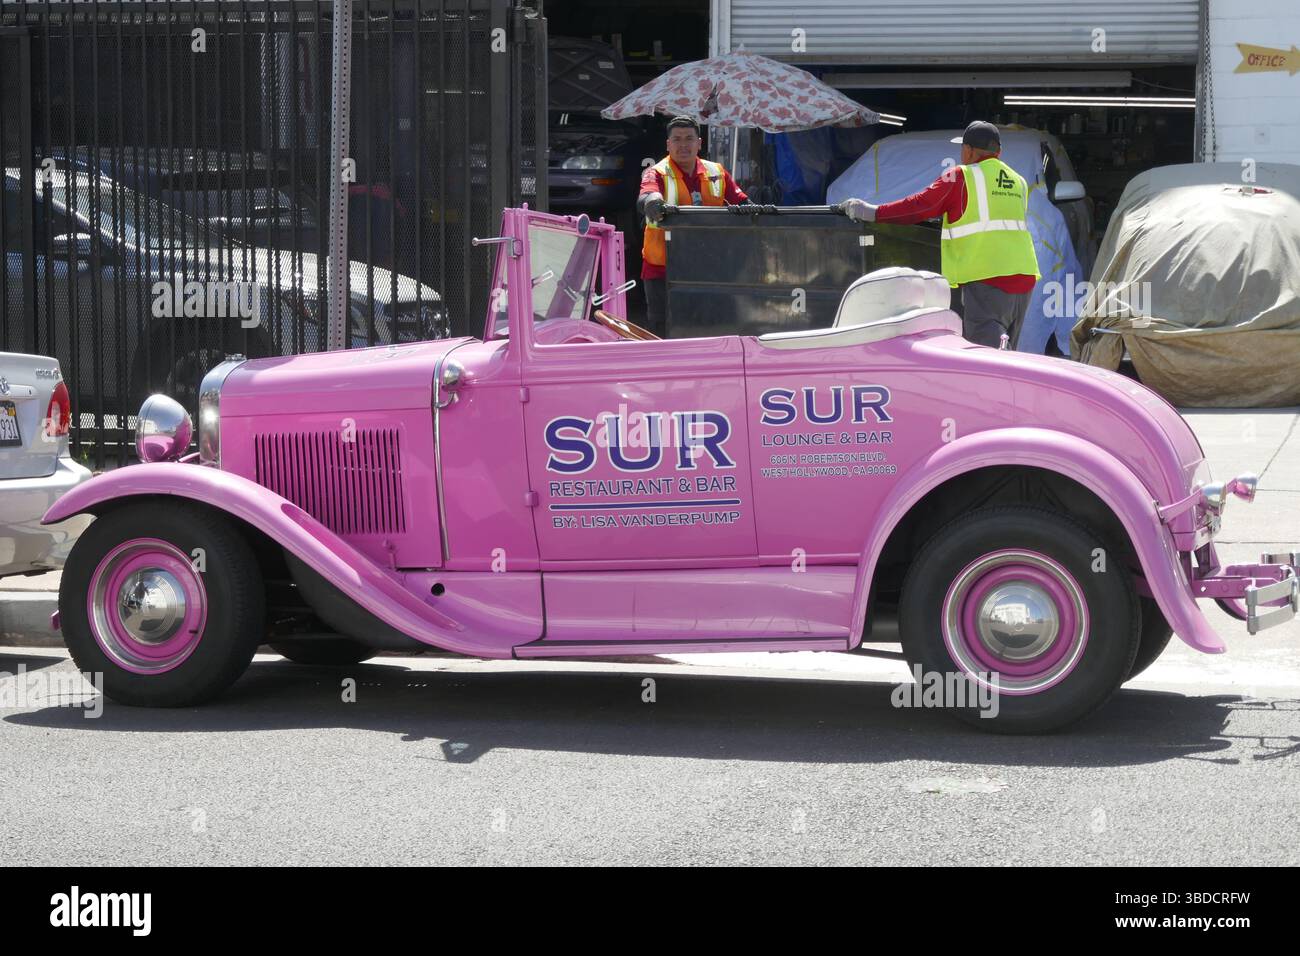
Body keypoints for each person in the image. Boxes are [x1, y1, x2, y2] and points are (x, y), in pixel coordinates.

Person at [839, 121, 1040, 349]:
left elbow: (919, 205)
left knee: (986, 359)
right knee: (1008, 352)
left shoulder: (960, 176)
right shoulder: (1018, 181)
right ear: (998, 152)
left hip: (988, 279)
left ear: (968, 150)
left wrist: (873, 212)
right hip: (1024, 278)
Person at [637, 116, 749, 337]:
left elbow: (743, 202)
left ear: (700, 143)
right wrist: (652, 202)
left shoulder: (716, 171)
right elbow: (646, 195)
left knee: (712, 326)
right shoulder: (655, 172)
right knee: (663, 330)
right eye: (677, 139)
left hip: (709, 266)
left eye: (689, 139)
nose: (683, 145)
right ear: (668, 145)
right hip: (663, 268)